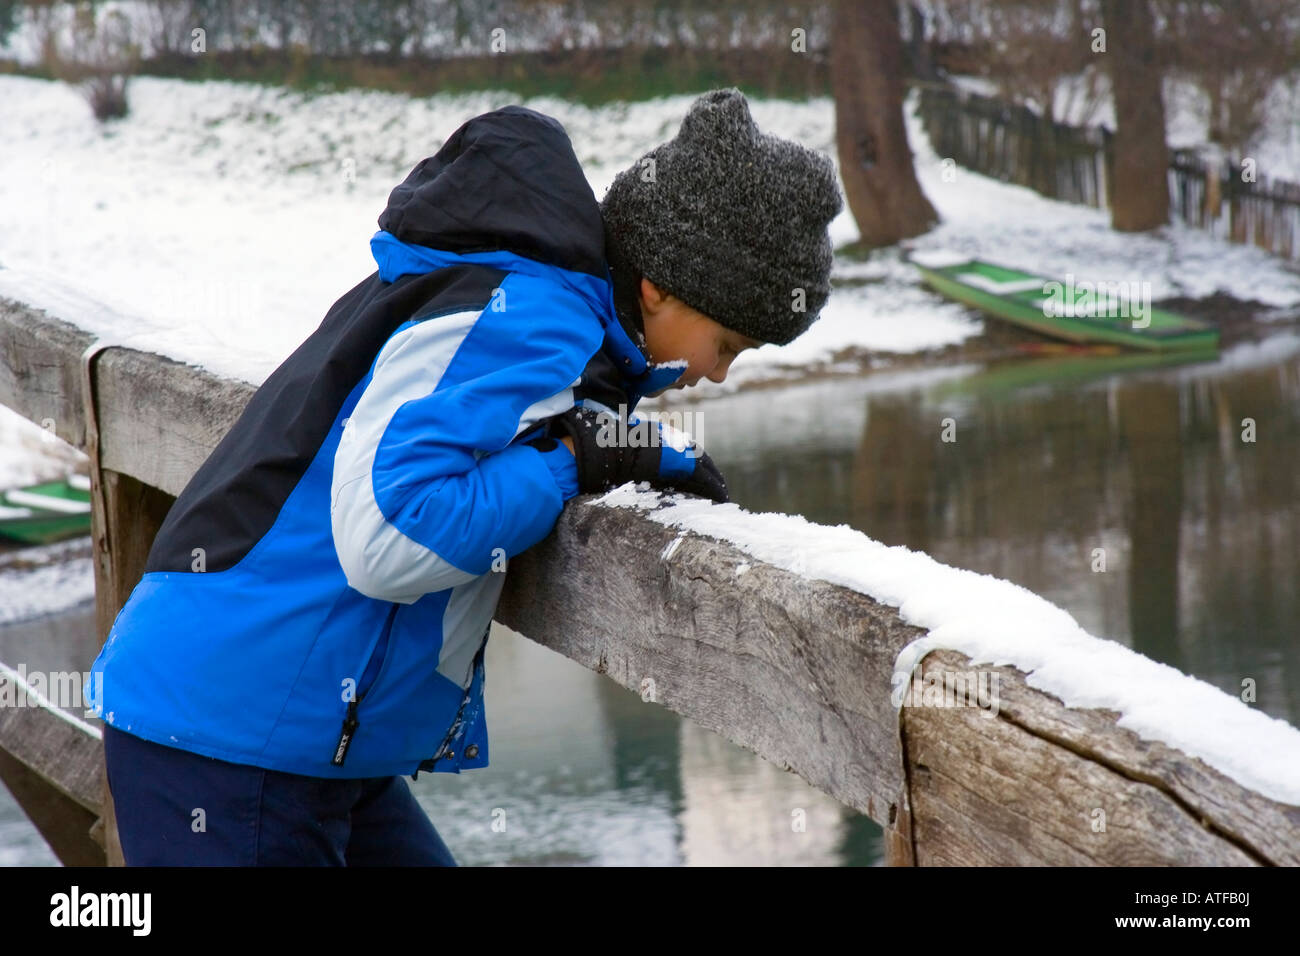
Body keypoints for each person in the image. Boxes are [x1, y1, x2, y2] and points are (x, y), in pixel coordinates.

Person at [89, 86, 842, 866]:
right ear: (660, 286)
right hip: (230, 741)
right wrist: (573, 461)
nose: (719, 374)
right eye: (729, 342)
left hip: (297, 735)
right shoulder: (531, 313)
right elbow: (387, 533)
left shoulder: (529, 297)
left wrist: (595, 439)